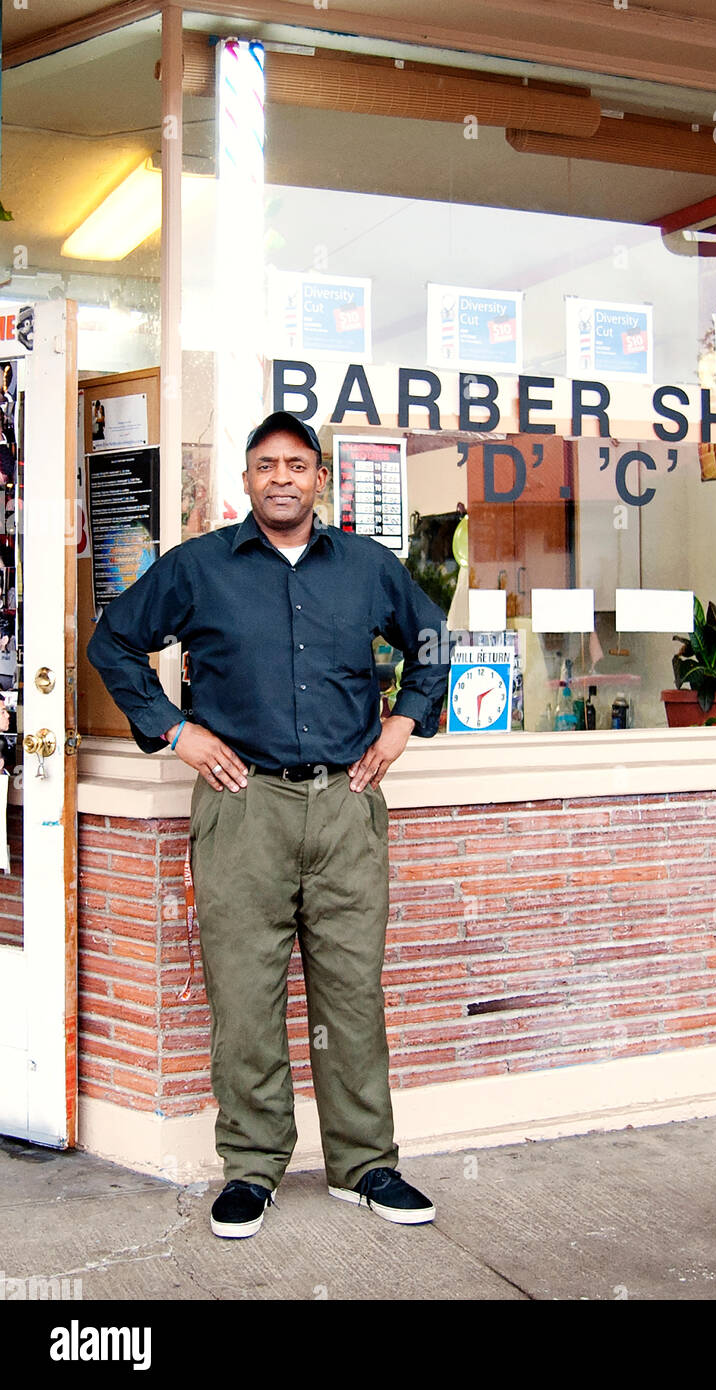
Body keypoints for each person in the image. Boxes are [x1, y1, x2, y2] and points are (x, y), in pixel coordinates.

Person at [87, 411, 450, 1239]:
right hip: (242, 802)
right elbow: (114, 642)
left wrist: (404, 723)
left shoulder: (366, 567)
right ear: (245, 481)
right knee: (245, 991)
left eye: (296, 464)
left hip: (345, 803)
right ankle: (251, 1169)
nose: (281, 478)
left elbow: (432, 639)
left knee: (351, 989)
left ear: (321, 478)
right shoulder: (198, 569)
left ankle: (366, 1164)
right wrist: (177, 731)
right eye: (265, 465)